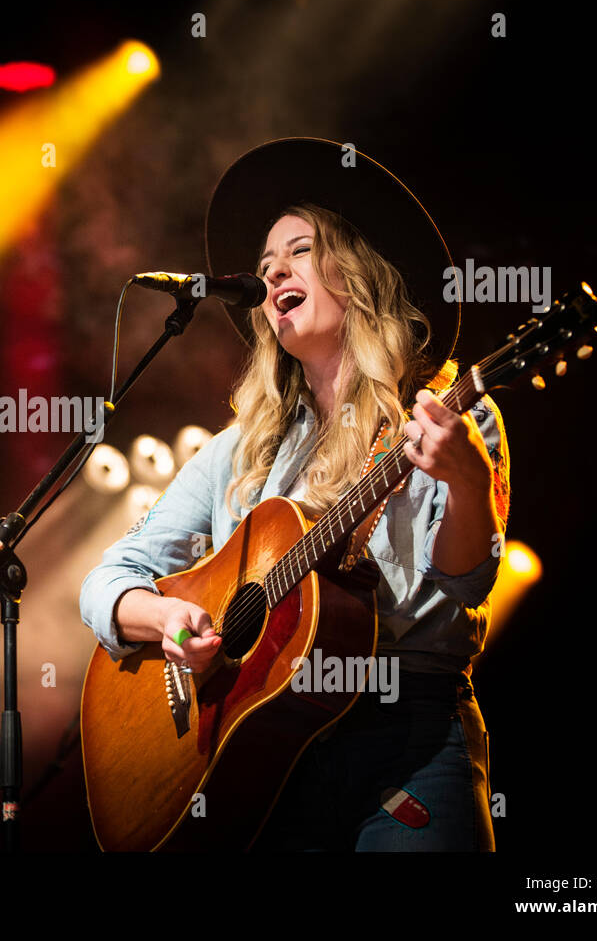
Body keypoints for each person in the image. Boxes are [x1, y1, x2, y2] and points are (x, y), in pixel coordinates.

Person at [80, 138, 508, 851]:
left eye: (301, 251)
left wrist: (465, 478)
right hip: (266, 756)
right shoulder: (240, 450)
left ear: (361, 274)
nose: (275, 270)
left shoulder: (449, 415)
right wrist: (165, 619)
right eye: (267, 265)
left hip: (407, 743)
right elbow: (104, 582)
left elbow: (468, 586)